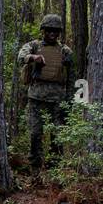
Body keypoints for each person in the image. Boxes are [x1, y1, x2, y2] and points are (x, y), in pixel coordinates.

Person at [17, 14, 75, 171]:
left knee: (57, 136)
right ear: (43, 30)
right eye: (49, 30)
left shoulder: (65, 51)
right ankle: (35, 166)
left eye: (56, 31)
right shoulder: (34, 46)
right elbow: (21, 57)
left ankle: (55, 166)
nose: (52, 34)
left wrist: (70, 100)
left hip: (58, 99)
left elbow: (71, 78)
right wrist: (33, 58)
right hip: (36, 97)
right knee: (35, 133)